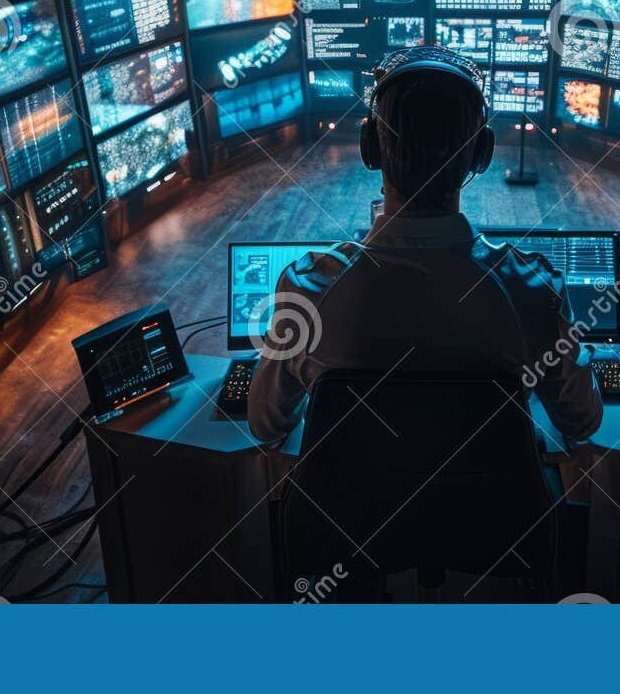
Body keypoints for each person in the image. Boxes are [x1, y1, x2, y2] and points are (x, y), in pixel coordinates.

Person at [247, 46, 602, 444]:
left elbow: (266, 424)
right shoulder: (535, 291)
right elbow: (582, 422)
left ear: (370, 149)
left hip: (352, 506)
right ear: (481, 156)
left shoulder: (308, 291)